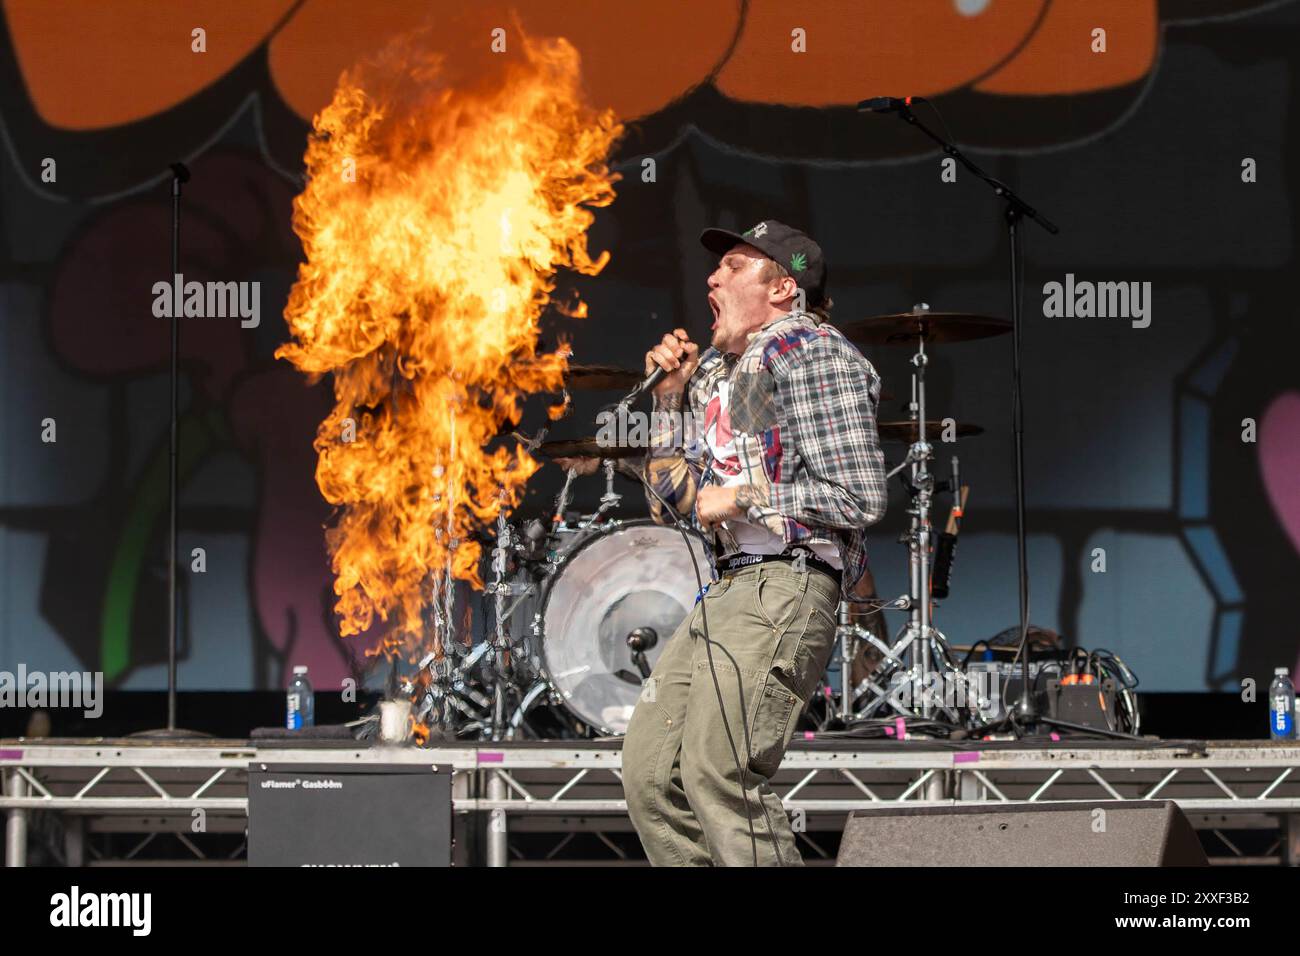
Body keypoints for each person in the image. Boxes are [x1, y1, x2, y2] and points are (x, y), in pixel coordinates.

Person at [610, 220, 887, 866]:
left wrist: (742, 498)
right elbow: (671, 501)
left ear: (783, 288)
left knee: (718, 772)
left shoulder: (811, 352)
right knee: (651, 773)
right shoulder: (716, 379)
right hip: (730, 588)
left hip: (788, 583)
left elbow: (860, 496)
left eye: (734, 266)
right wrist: (672, 401)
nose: (712, 278)